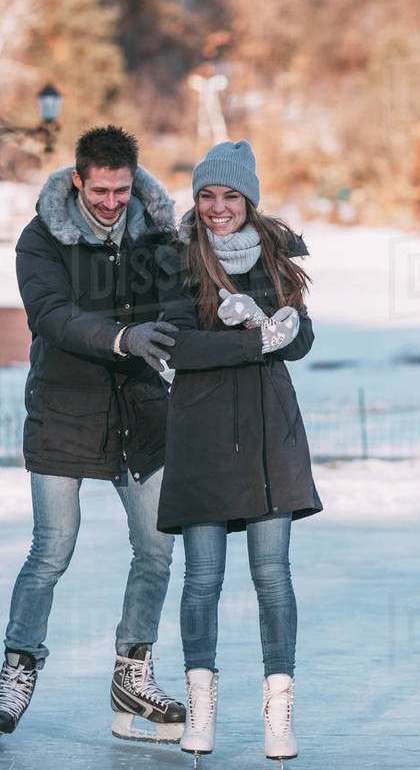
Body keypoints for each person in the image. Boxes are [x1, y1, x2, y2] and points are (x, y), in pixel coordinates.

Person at [0, 126, 187, 745]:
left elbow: (182, 302)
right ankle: (20, 665)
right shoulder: (42, 238)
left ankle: (133, 674)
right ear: (78, 181)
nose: (111, 202)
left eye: (121, 190)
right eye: (100, 191)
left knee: (156, 548)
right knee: (52, 549)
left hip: (140, 414)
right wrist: (123, 338)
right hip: (65, 411)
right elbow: (51, 315)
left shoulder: (157, 234)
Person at [154, 140, 322, 764]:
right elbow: (179, 347)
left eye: (230, 195)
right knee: (202, 578)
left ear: (249, 199)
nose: (218, 207)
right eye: (206, 195)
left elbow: (300, 339)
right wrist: (256, 339)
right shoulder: (174, 258)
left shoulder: (277, 254)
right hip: (201, 436)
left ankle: (279, 715)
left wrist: (275, 324)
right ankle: (200, 712)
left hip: (269, 435)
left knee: (272, 576)